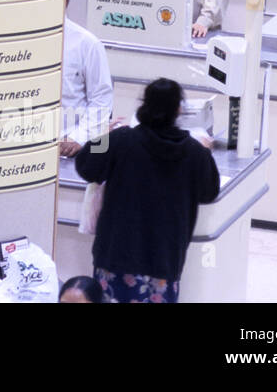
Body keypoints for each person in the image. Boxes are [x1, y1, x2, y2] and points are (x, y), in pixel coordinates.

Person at [74, 78, 219, 303]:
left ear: (144, 105)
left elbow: (85, 164)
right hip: (163, 258)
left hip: (115, 254)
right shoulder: (194, 152)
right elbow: (209, 192)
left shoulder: (122, 140)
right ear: (178, 109)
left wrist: (103, 135)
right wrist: (207, 152)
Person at [60, 0, 113, 157]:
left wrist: (79, 137)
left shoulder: (87, 44)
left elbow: (101, 98)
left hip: (69, 150)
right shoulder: (13, 42)